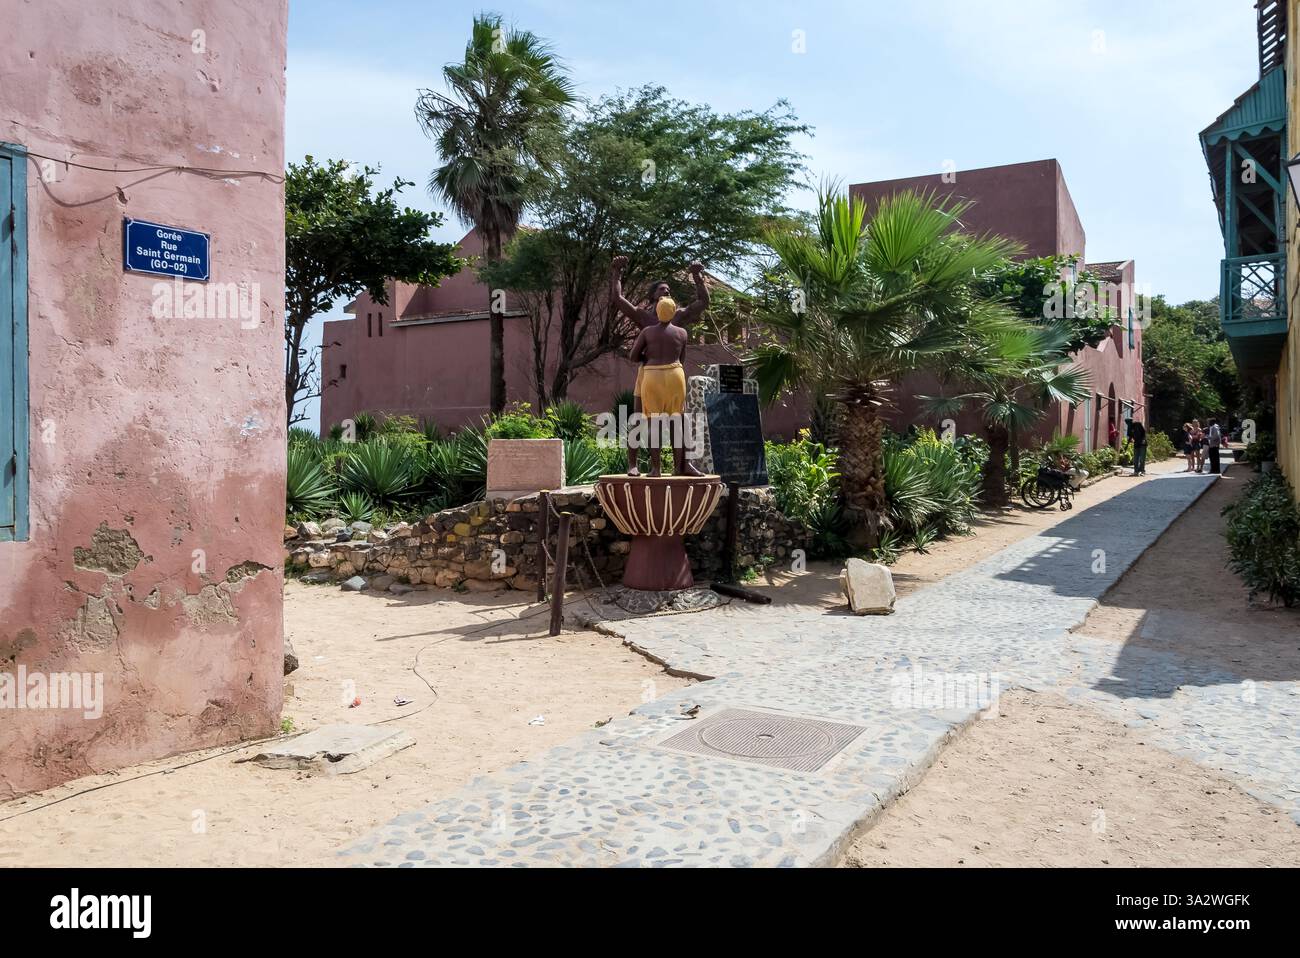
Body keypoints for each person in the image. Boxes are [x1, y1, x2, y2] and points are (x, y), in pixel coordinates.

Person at [611, 257, 708, 473]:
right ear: (653, 296)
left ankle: (683, 464)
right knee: (638, 419)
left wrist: (697, 278)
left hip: (670, 374)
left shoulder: (679, 318)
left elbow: (702, 303)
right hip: (647, 375)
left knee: (678, 421)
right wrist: (616, 272)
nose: (667, 293)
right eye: (663, 290)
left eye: (669, 291)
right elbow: (617, 299)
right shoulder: (644, 318)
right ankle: (633, 465)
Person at [627, 297, 702, 477]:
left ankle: (656, 469)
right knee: (677, 422)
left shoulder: (647, 332)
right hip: (676, 374)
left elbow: (633, 356)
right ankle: (678, 468)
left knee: (654, 424)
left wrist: (649, 358)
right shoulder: (682, 333)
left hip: (653, 375)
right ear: (674, 311)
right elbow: (682, 359)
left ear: (657, 311)